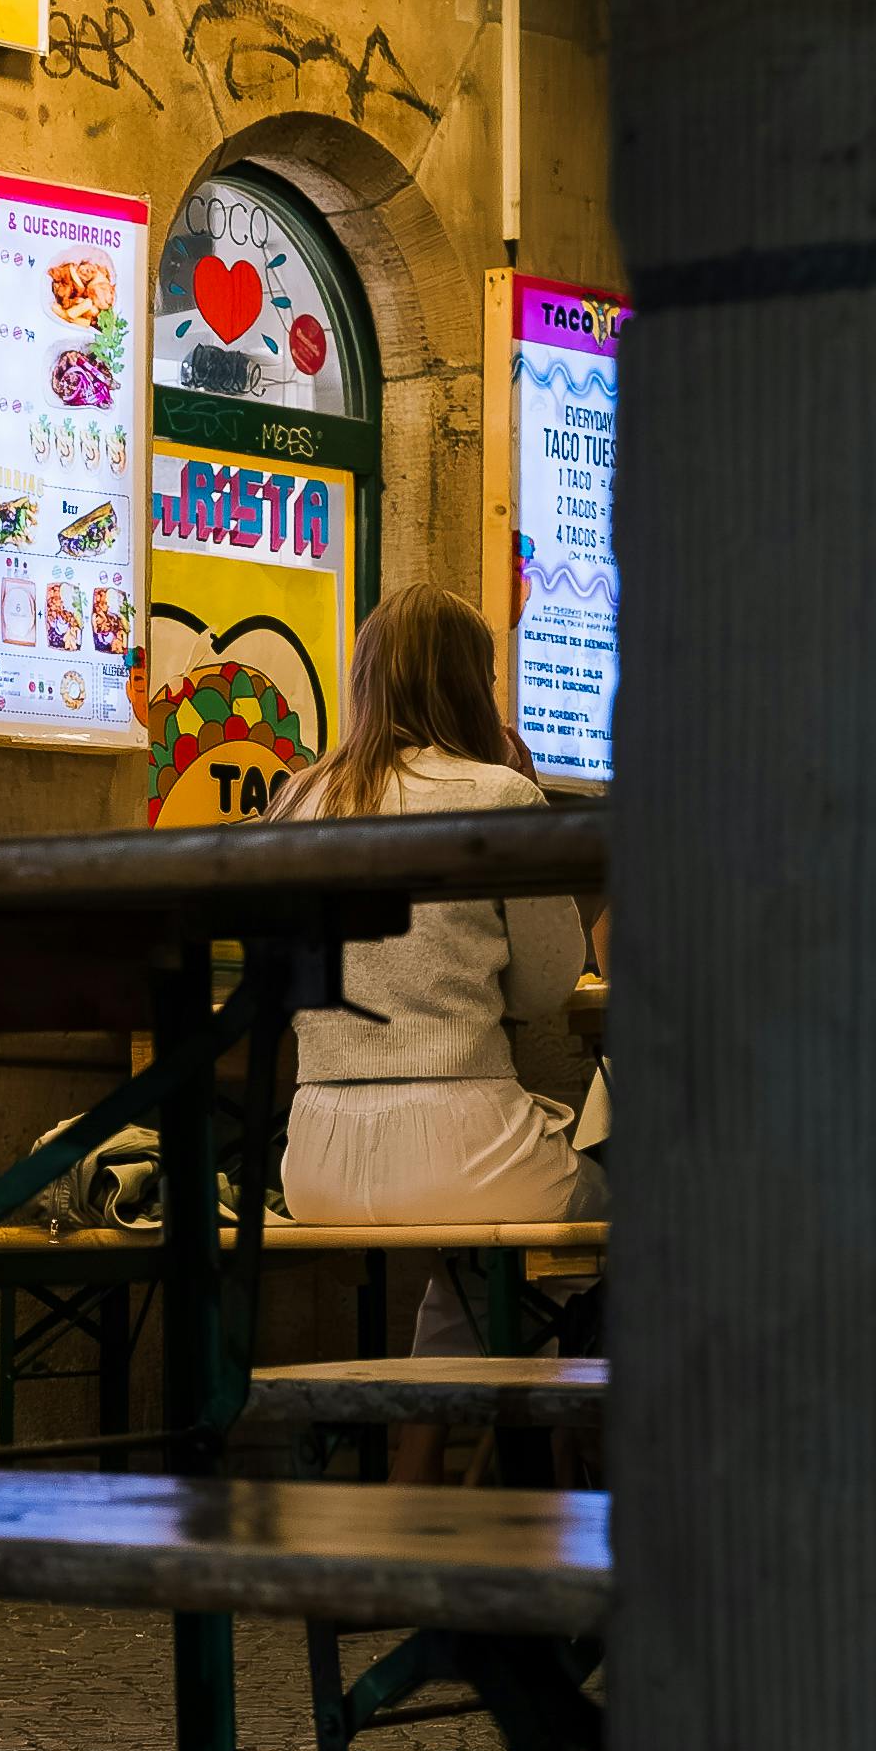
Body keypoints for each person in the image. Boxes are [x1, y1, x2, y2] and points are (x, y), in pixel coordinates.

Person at [274, 584, 600, 1429]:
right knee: (613, 1206)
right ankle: (583, 1456)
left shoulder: (297, 801)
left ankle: (431, 1455)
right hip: (467, 1147)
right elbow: (548, 987)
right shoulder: (497, 796)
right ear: (473, 683)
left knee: (476, 1250)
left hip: (314, 1161)